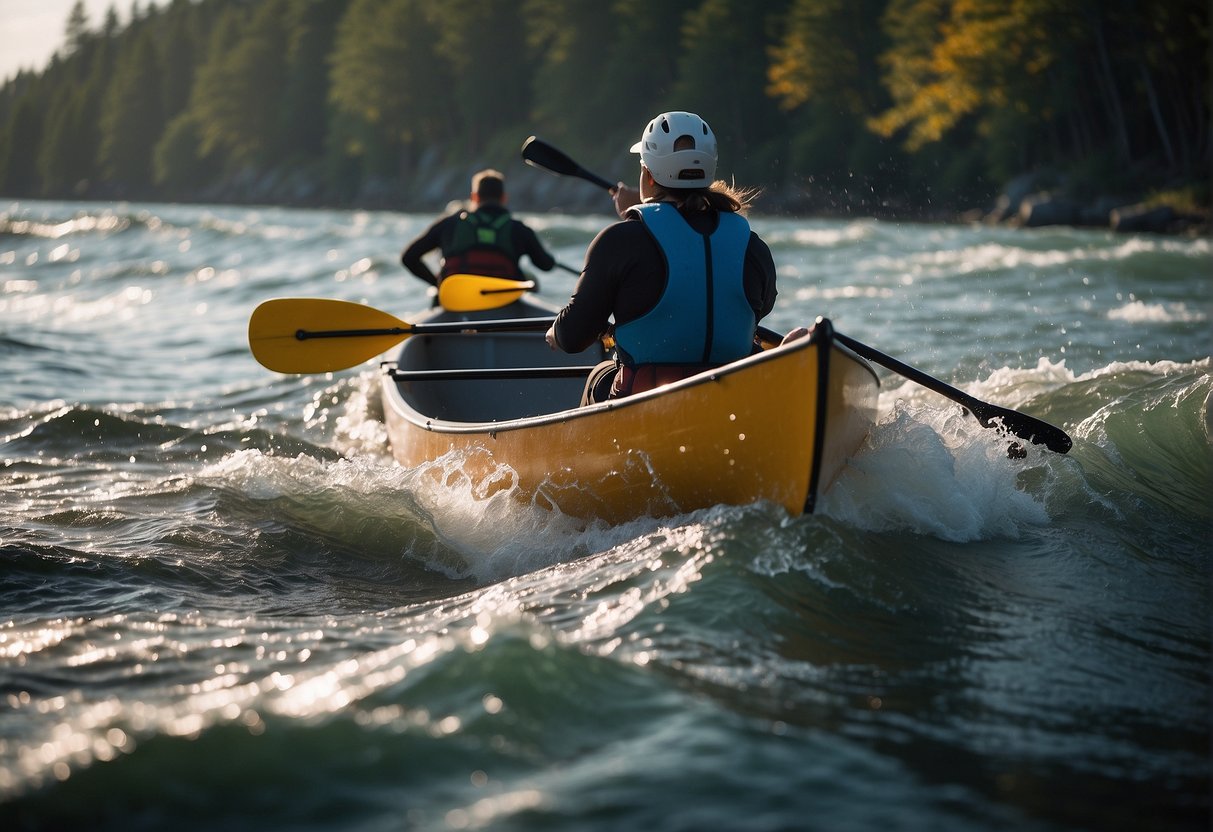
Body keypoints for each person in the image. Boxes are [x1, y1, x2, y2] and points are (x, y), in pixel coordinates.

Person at [544, 111, 777, 404]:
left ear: (648, 175)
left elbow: (573, 337)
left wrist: (556, 331)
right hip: (731, 403)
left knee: (600, 375)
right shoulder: (752, 245)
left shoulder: (619, 240)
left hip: (648, 402)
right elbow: (759, 309)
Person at [401, 168, 556, 287]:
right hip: (503, 298)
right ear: (503, 198)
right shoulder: (519, 229)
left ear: (474, 197)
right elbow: (546, 265)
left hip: (457, 297)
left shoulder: (449, 224)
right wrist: (550, 258)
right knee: (531, 280)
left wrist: (438, 285)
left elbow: (408, 257)